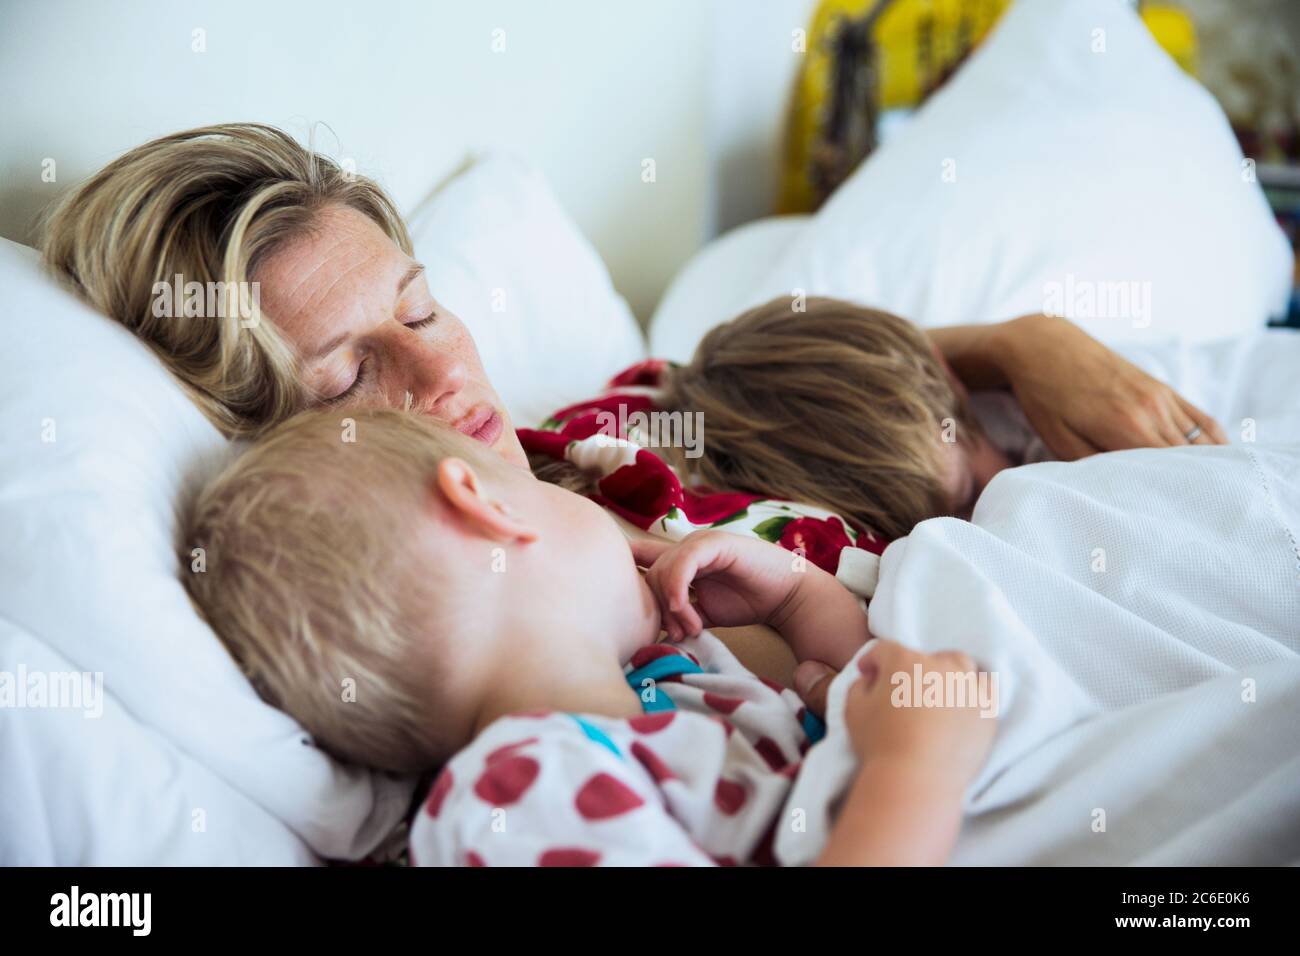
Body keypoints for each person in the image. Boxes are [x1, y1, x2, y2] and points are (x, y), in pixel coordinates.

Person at [181, 406, 996, 866]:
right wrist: (915, 770)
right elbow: (896, 752)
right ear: (487, 504)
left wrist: (790, 594)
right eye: (537, 486)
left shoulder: (673, 683)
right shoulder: (512, 794)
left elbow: (857, 687)